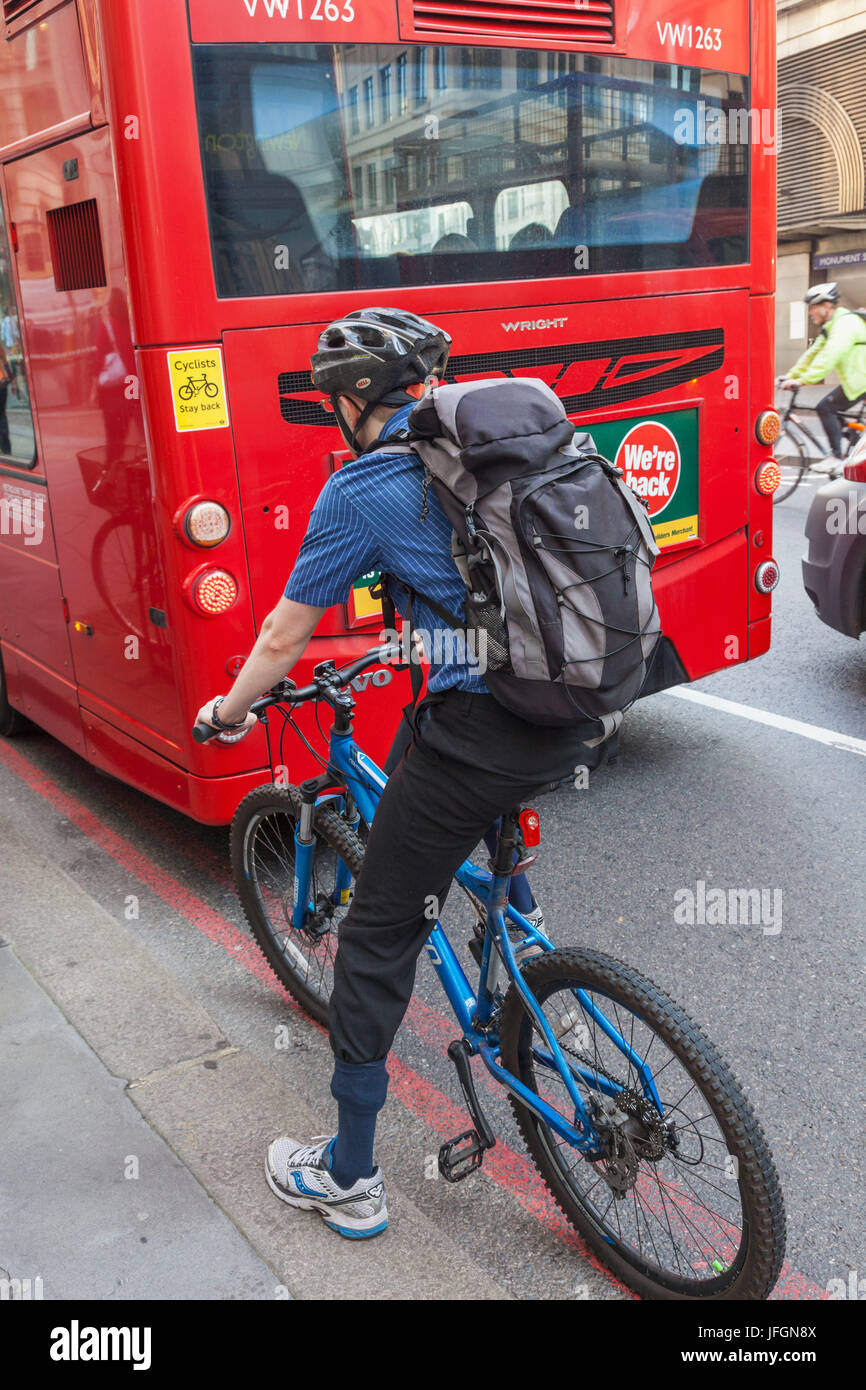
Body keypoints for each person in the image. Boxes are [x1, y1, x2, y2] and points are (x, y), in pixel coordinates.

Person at [196, 308, 603, 1238]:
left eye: (327, 394)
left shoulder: (364, 486)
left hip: (486, 725)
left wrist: (225, 714)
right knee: (480, 810)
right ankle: (546, 979)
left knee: (379, 940)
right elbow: (474, 588)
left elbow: (283, 635)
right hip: (577, 703)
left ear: (350, 399)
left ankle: (348, 1177)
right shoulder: (480, 454)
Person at [777, 282, 866, 474]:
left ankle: (835, 457)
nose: (811, 312)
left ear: (827, 306)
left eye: (813, 307)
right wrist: (790, 376)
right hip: (857, 380)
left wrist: (803, 380)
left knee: (825, 407)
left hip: (861, 381)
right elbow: (812, 354)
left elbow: (830, 356)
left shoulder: (845, 324)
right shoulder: (831, 326)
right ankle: (852, 437)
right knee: (835, 413)